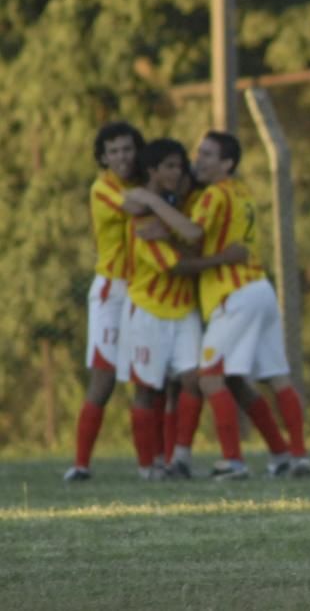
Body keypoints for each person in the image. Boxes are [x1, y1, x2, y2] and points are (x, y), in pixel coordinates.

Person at [178, 131, 310, 479]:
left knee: (209, 377)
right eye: (199, 152)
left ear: (227, 164)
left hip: (233, 294)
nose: (199, 159)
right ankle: (293, 455)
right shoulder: (244, 192)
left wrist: (156, 208)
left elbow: (191, 235)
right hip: (259, 288)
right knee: (271, 377)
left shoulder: (215, 194)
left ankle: (232, 461)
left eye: (208, 155)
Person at [116, 138, 205, 480]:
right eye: (170, 166)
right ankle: (147, 466)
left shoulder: (167, 202)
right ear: (152, 170)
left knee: (193, 380)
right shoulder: (137, 212)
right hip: (148, 309)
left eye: (180, 166)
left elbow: (192, 233)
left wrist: (162, 214)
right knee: (146, 388)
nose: (177, 172)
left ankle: (179, 458)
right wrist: (211, 259)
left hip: (183, 309)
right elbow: (173, 264)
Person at [66, 123, 145, 481]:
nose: (122, 157)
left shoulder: (143, 183)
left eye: (127, 149)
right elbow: (134, 206)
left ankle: (151, 465)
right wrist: (162, 197)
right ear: (103, 157)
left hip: (146, 289)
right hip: (111, 292)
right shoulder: (103, 189)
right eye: (114, 151)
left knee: (146, 377)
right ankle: (81, 464)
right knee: (104, 377)